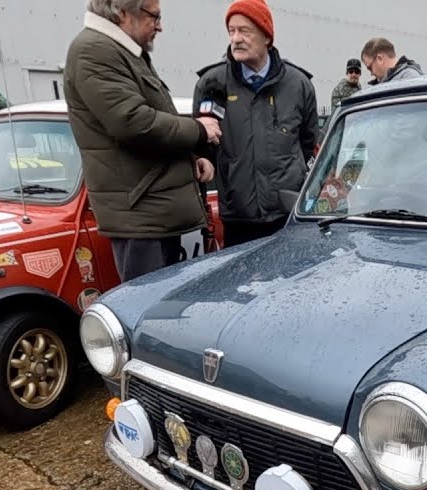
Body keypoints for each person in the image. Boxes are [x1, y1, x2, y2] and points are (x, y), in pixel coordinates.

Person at [64, 0, 222, 282]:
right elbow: (133, 123)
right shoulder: (94, 51)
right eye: (154, 16)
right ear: (123, 13)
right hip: (142, 220)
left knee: (168, 313)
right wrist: (198, 130)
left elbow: (147, 127)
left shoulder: (121, 52)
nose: (159, 26)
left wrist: (190, 162)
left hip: (154, 214)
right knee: (148, 316)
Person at [194, 0, 319, 247]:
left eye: (245, 31)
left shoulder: (299, 84)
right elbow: (203, 147)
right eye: (232, 31)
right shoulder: (212, 84)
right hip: (238, 220)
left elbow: (307, 143)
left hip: (286, 217)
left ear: (266, 37)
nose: (236, 38)